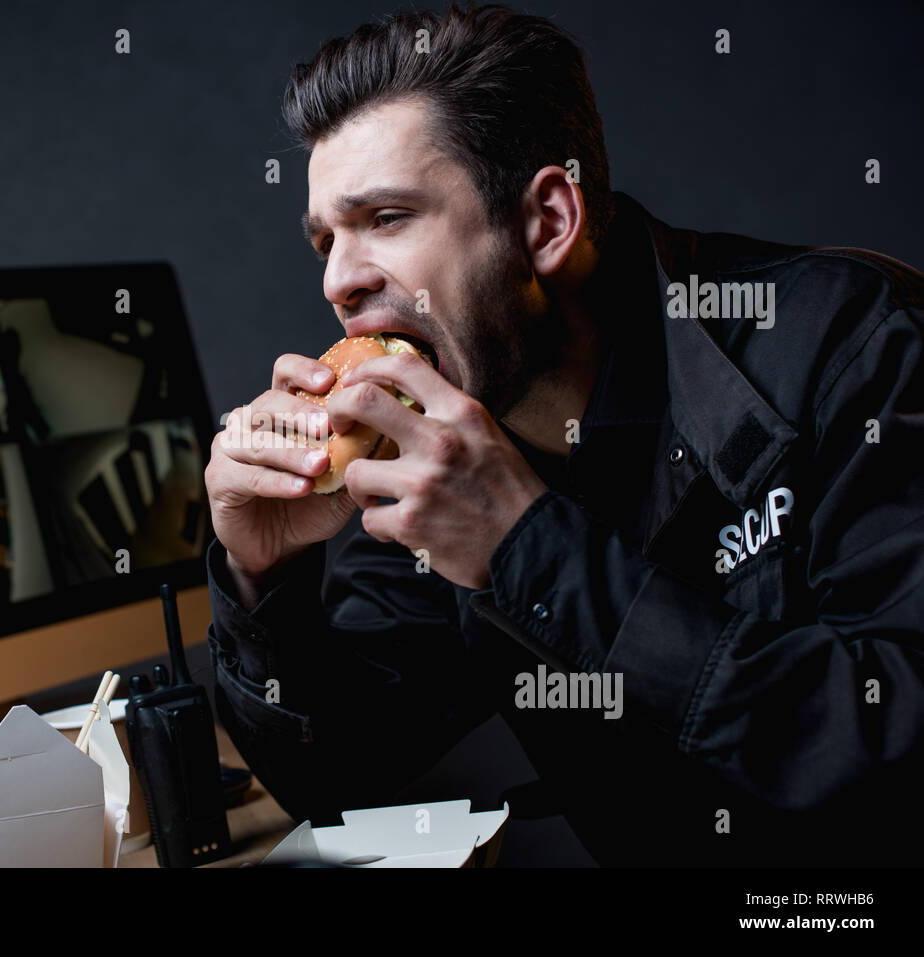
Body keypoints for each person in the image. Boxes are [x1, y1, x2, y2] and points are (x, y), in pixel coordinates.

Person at [202, 3, 924, 865]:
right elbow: (346, 788)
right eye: (326, 238)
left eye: (386, 219)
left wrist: (524, 544)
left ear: (547, 220)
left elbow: (893, 747)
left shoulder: (850, 345)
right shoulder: (430, 455)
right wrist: (264, 579)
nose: (338, 281)